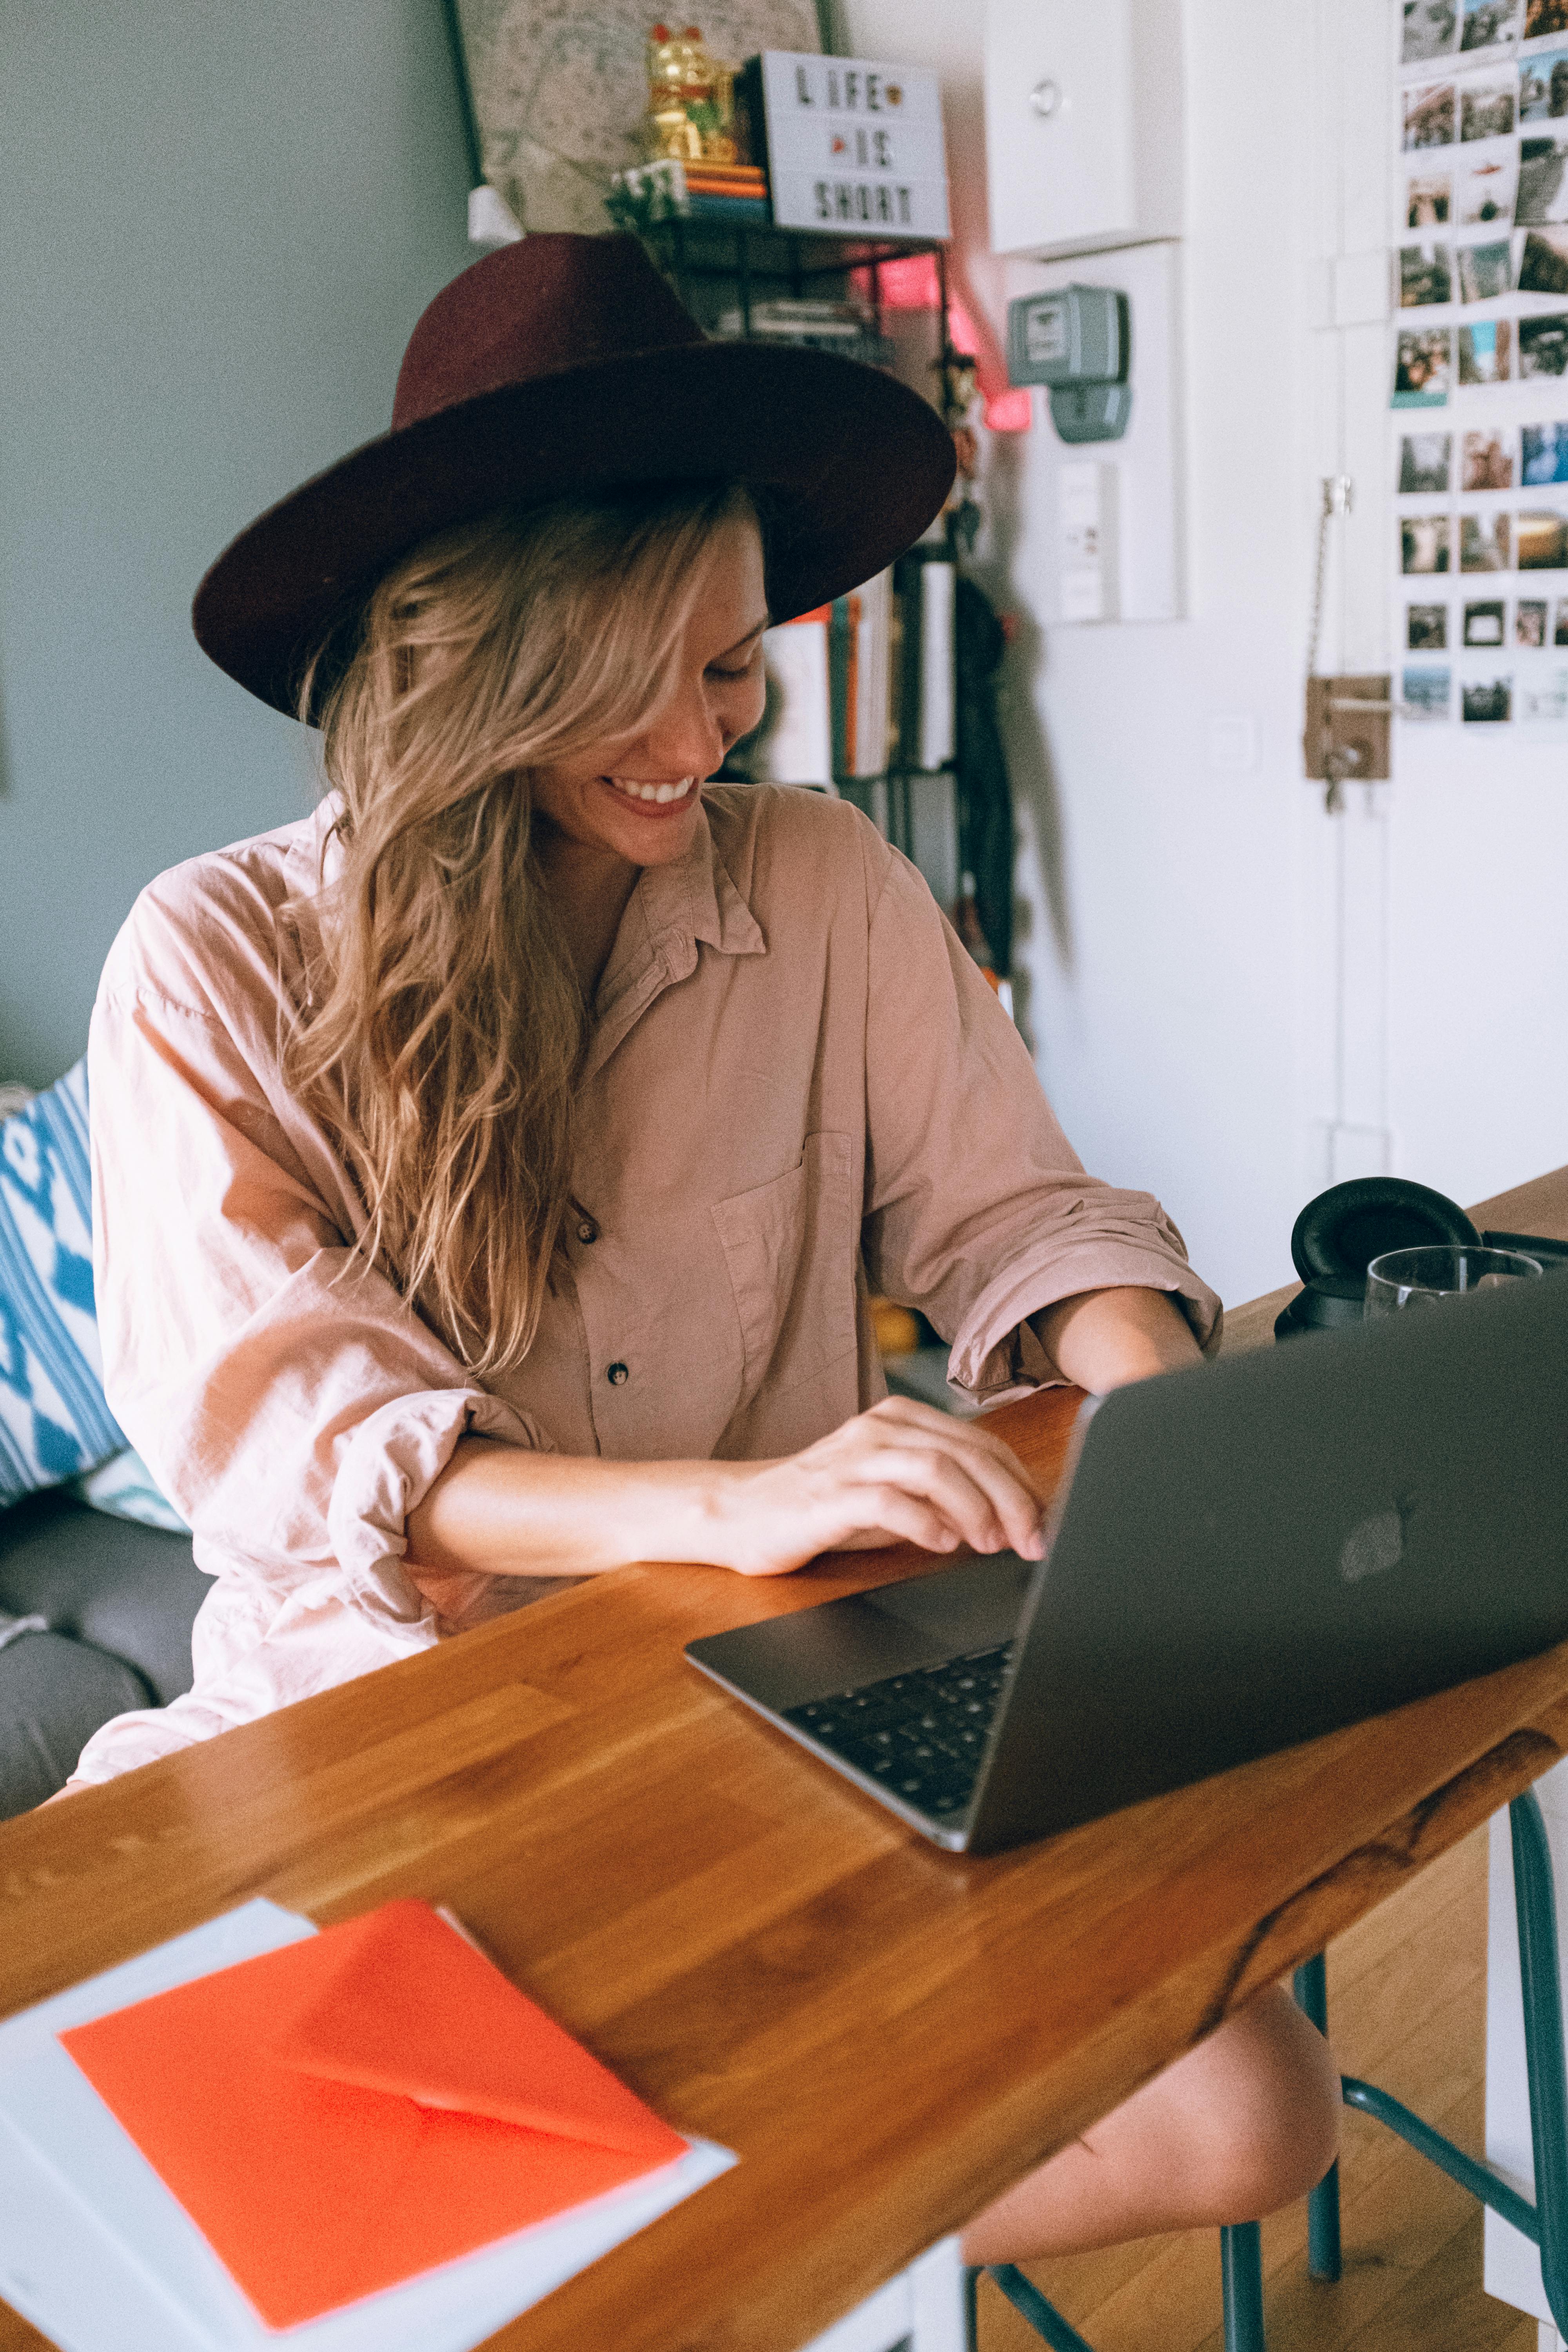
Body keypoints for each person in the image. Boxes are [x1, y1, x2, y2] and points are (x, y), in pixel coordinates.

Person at [67, 233, 1338, 2258]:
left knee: (1254, 2111)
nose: (699, 737)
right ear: (478, 652)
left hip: (770, 1707)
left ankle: (667, 2230)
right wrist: (732, 1503)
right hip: (366, 1735)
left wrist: (1190, 1441)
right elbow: (312, 1454)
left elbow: (1027, 1220)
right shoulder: (210, 969)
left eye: (736, 667)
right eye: (626, 676)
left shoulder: (824, 887)